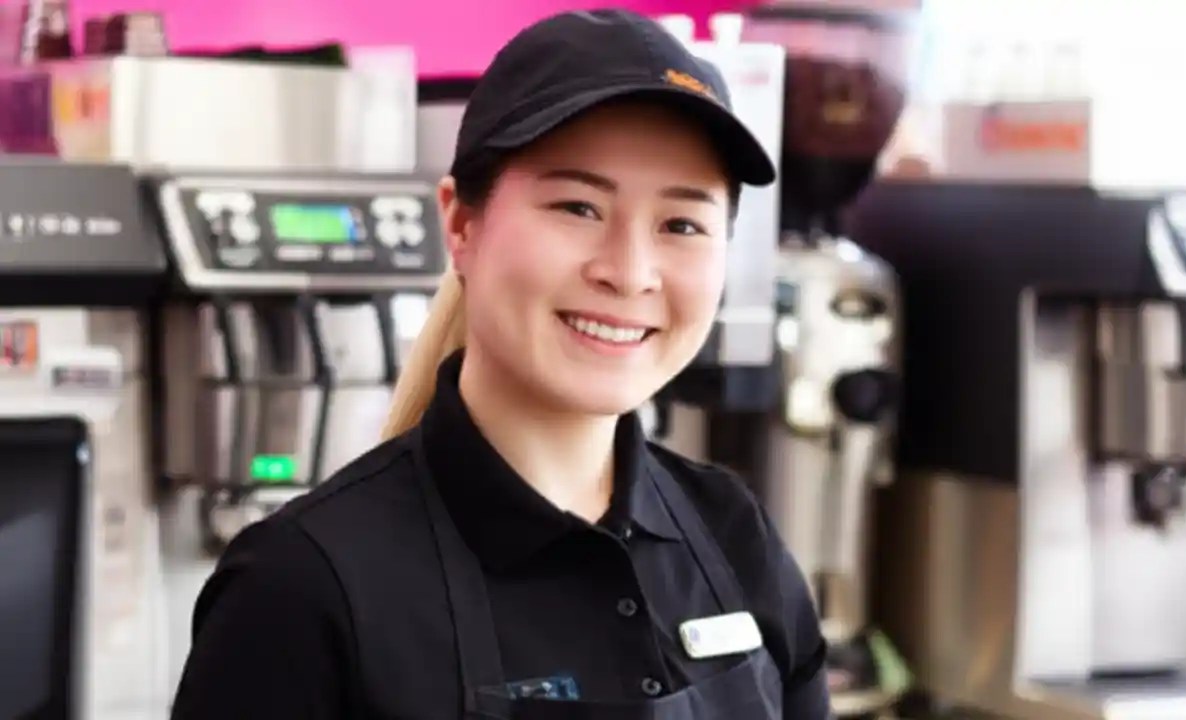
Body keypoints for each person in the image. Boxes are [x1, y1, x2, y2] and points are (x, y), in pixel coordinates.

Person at [170, 8, 829, 719]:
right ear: (459, 223)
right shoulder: (301, 586)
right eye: (578, 206)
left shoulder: (733, 536)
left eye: (682, 225)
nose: (630, 272)